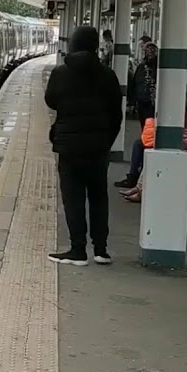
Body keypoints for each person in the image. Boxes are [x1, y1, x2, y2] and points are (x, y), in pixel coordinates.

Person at [45, 25, 123, 266]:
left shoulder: (60, 73)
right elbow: (116, 116)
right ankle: (101, 250)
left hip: (69, 149)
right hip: (98, 148)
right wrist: (105, 141)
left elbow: (51, 101)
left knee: (73, 199)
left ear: (73, 45)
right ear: (94, 46)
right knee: (99, 197)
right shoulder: (108, 75)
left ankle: (77, 250)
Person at [120, 85, 187, 203]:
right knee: (148, 148)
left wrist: (175, 144)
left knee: (156, 155)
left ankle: (141, 190)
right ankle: (139, 188)